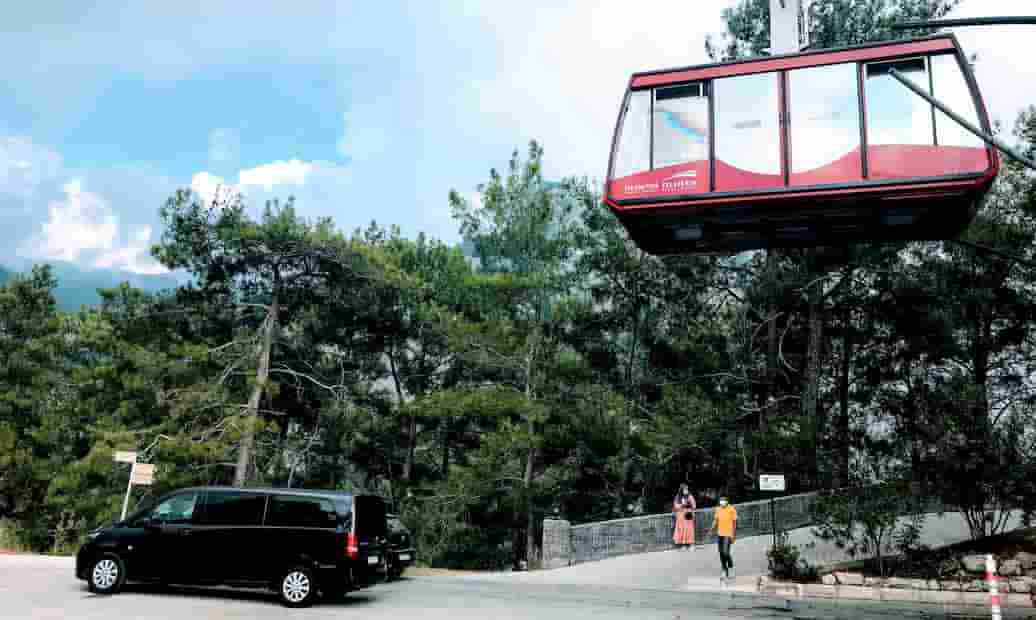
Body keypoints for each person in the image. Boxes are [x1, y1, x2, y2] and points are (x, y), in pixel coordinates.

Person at [708, 495, 737, 581]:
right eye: (721, 500)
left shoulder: (732, 509)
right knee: (721, 553)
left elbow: (735, 523)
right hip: (720, 534)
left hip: (728, 534)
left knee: (726, 552)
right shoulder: (718, 509)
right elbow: (715, 521)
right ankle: (724, 570)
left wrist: (733, 535)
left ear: (727, 501)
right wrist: (711, 529)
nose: (722, 502)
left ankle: (731, 568)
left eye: (724, 500)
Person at [671, 483, 696, 550]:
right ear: (681, 490)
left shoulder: (690, 496)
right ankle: (683, 544)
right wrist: (681, 505)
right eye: (685, 489)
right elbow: (675, 506)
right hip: (680, 516)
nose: (686, 490)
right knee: (682, 530)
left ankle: (691, 544)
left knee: (689, 529)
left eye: (687, 489)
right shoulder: (677, 497)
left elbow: (694, 505)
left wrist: (688, 504)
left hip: (688, 514)